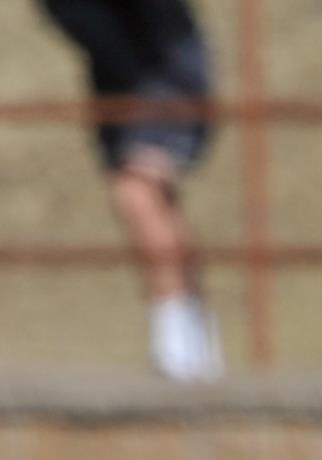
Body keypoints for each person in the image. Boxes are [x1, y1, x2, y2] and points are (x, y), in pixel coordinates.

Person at [36, 0, 221, 381]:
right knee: (155, 202)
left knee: (138, 193)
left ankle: (179, 351)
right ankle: (193, 343)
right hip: (119, 79)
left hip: (162, 69)